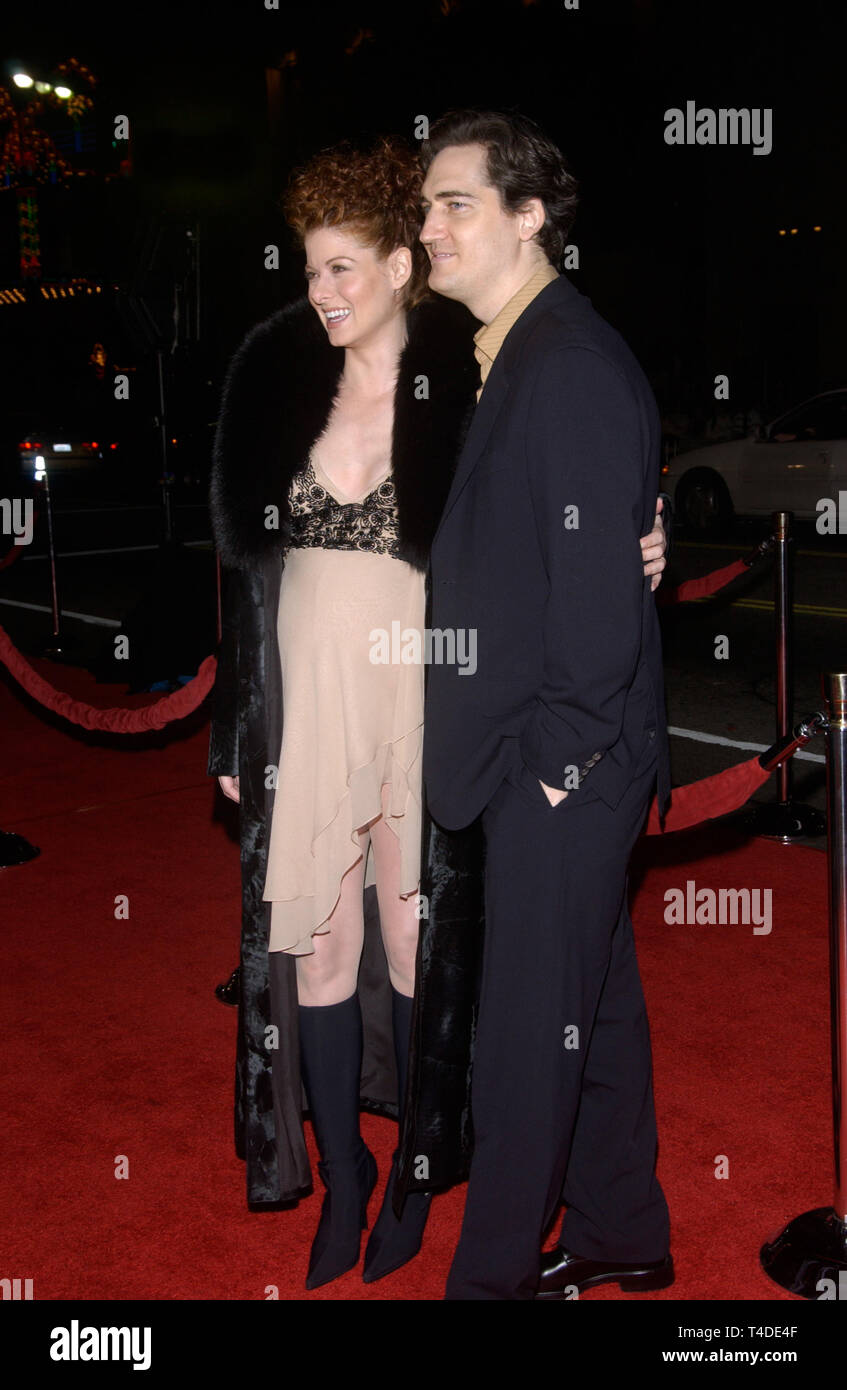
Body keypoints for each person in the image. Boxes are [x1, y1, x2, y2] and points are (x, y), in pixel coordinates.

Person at [207, 135, 668, 1292]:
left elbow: (570, 522)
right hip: (332, 702)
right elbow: (237, 568)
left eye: (348, 265)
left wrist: (630, 560)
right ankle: (578, 1221)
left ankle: (454, 1222)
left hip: (468, 716)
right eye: (310, 271)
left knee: (481, 991)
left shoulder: (501, 367)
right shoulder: (304, 371)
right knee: (348, 946)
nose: (325, 293)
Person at [402, 109, 674, 1301]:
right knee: (593, 1006)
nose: (429, 228)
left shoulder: (558, 361)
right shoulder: (521, 354)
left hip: (561, 760)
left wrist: (558, 759)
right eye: (424, 207)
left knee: (522, 1043)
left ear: (529, 216)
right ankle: (623, 1227)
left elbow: (598, 603)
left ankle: (491, 1282)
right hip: (561, 754)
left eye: (455, 202)